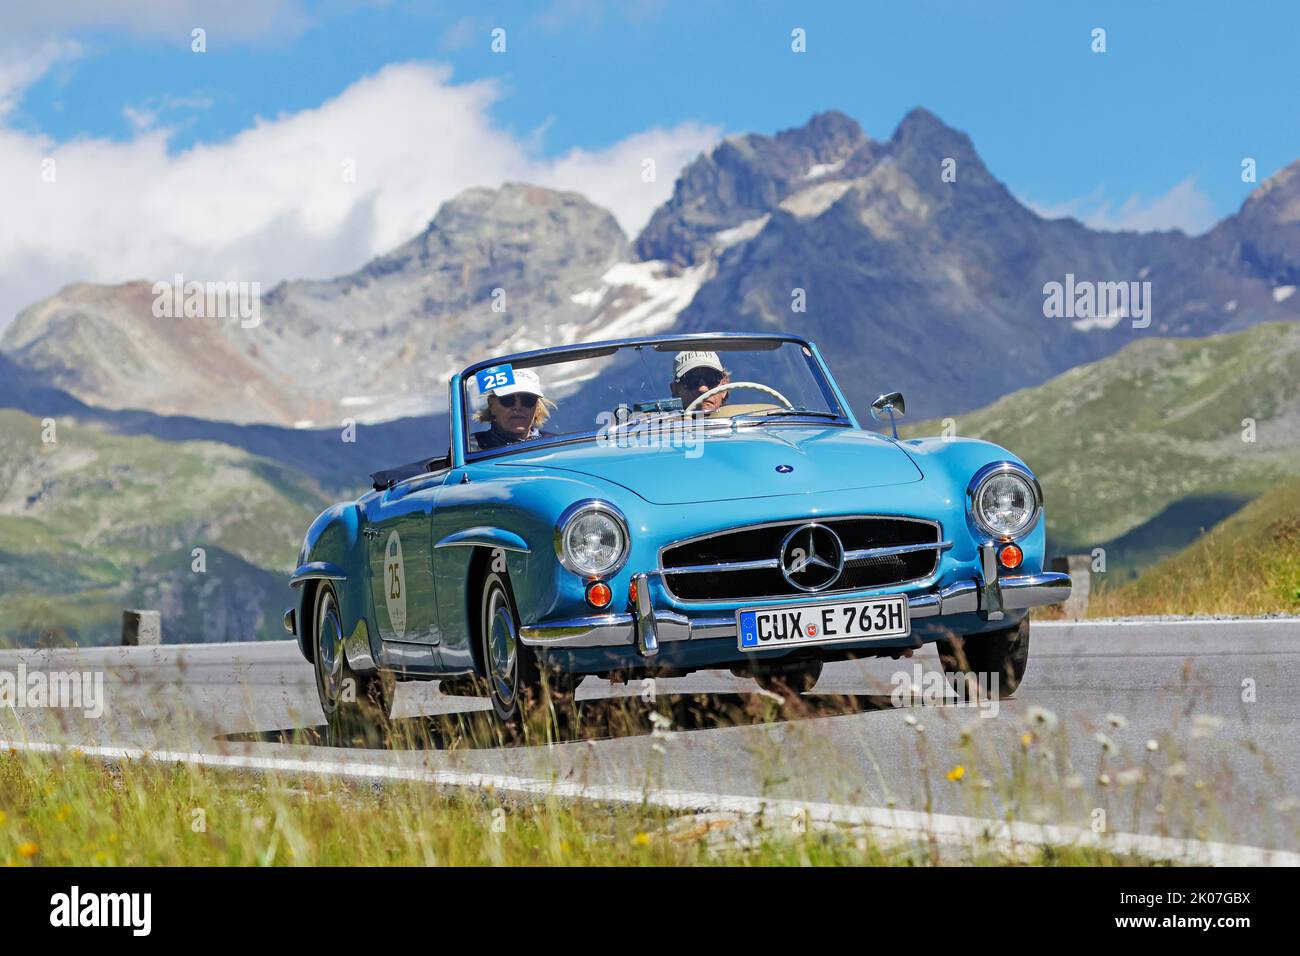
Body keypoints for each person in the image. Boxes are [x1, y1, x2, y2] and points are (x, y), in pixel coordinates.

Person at [472, 367, 555, 450]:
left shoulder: (556, 445)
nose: (518, 407)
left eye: (527, 400)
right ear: (492, 405)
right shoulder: (469, 449)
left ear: (537, 407)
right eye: (508, 399)